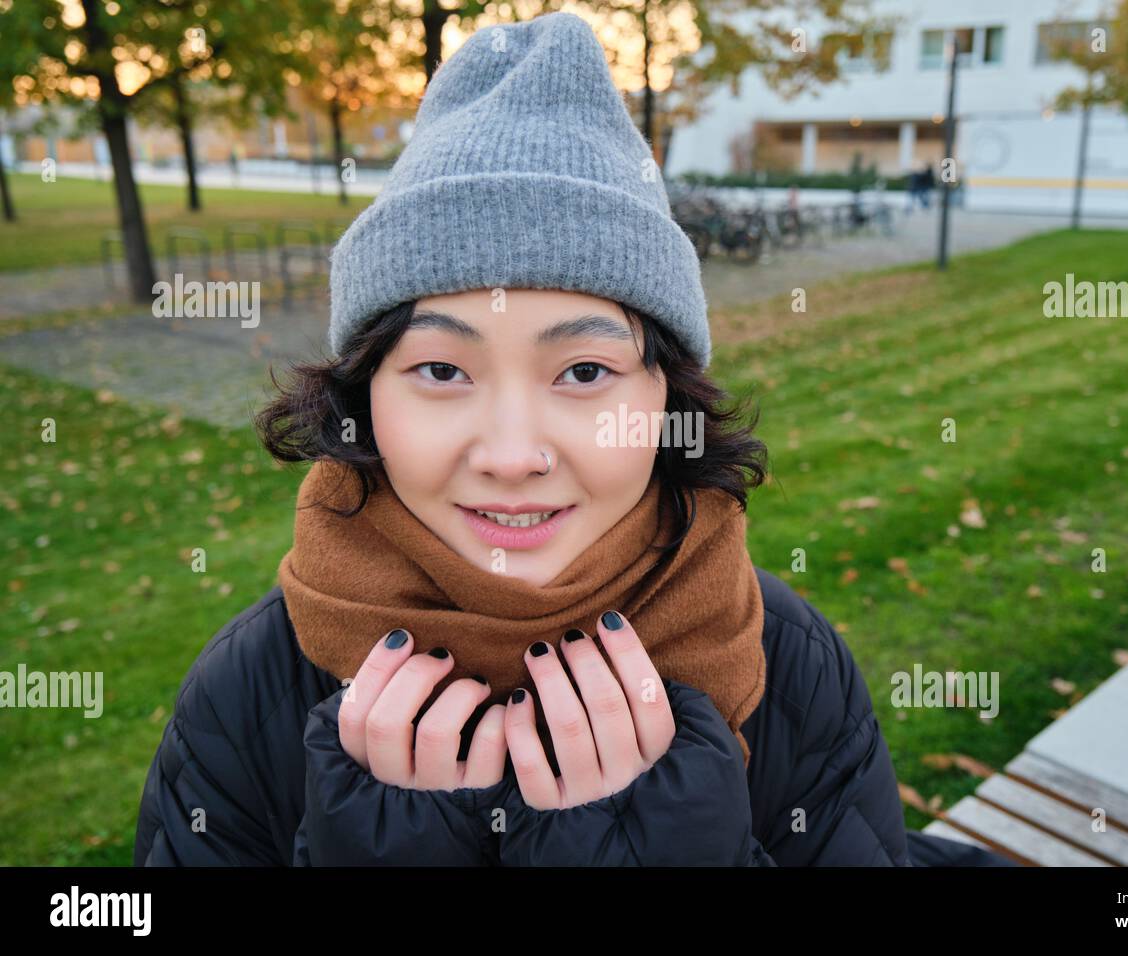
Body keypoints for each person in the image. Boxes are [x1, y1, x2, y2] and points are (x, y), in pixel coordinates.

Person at [132, 12, 1016, 867]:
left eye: (584, 373)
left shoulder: (790, 659)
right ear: (364, 395)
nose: (513, 455)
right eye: (442, 371)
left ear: (667, 392)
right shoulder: (247, 692)